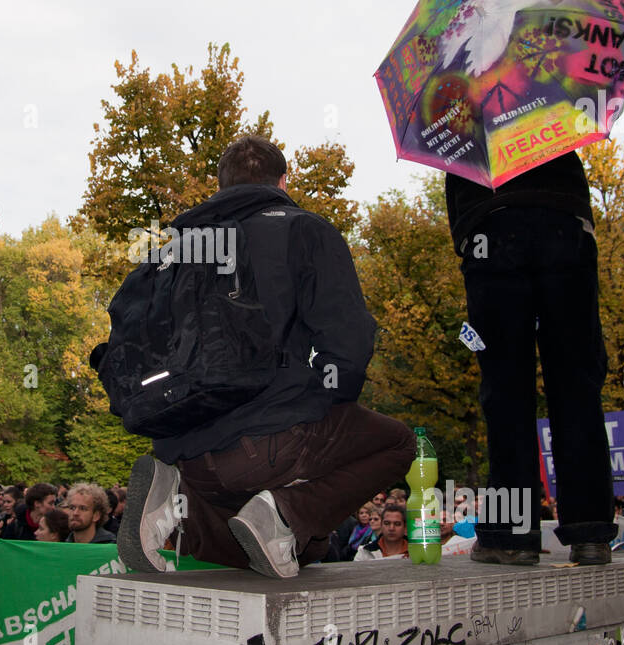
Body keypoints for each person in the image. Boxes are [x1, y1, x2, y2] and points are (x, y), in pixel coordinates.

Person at [109, 137, 416, 578]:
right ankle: (284, 510)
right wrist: (321, 402)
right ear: (283, 181)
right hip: (271, 436)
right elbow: (348, 341)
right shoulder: (303, 230)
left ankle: (176, 500)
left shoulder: (171, 250)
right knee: (398, 442)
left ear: (220, 185)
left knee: (304, 550)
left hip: (187, 456)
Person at [446, 151, 619, 566]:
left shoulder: (457, 115)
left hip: (491, 226)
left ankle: (511, 534)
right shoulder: (549, 105)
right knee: (577, 383)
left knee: (506, 389)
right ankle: (590, 530)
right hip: (563, 221)